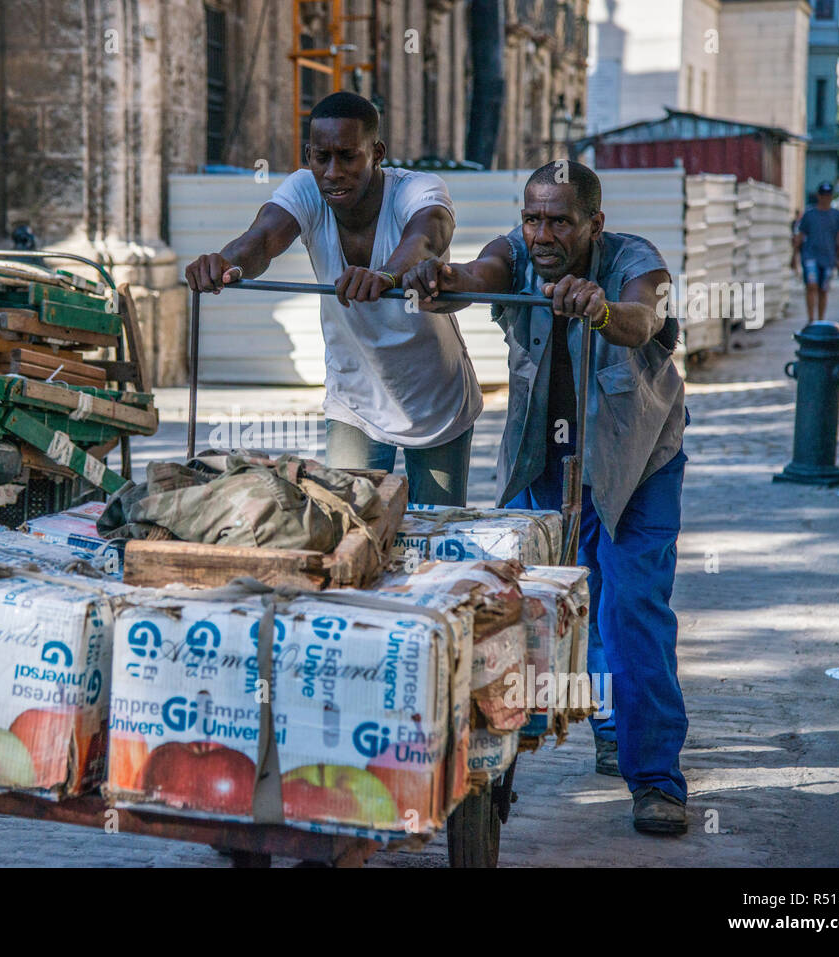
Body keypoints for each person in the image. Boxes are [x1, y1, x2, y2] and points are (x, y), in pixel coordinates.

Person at [401, 161, 690, 835]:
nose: (542, 232)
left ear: (594, 223)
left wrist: (606, 308)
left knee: (630, 609)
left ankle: (654, 777)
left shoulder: (633, 259)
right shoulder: (515, 251)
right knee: (532, 611)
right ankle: (500, 769)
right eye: (533, 217)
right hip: (545, 458)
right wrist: (437, 279)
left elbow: (645, 316)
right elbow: (476, 275)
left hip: (636, 464)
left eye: (559, 219)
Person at [184, 92, 482, 506]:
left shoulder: (418, 189)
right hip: (354, 399)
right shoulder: (306, 189)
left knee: (435, 532)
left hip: (434, 398)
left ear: (377, 153)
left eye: (348, 157)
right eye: (321, 157)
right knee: (348, 523)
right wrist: (225, 263)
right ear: (308, 155)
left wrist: (385, 274)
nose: (333, 172)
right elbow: (263, 239)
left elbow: (428, 235)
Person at [793, 183, 839, 324]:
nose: (825, 198)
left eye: (828, 195)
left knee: (823, 289)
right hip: (810, 255)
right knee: (812, 286)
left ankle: (820, 319)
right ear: (818, 195)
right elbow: (800, 235)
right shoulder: (809, 214)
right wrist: (794, 256)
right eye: (823, 195)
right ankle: (811, 319)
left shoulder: (836, 215)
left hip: (828, 257)